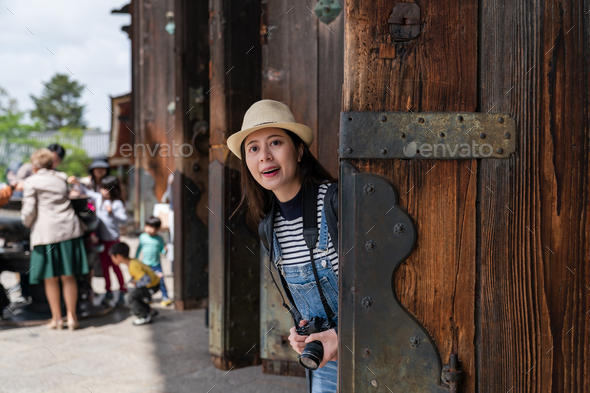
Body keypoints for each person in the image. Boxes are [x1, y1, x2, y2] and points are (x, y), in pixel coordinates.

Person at [227, 99, 339, 392]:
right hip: (325, 362)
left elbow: (379, 288)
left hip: (370, 351)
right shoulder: (269, 226)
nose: (264, 156)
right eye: (253, 148)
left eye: (275, 142)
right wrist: (299, 331)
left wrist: (342, 335)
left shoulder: (336, 202)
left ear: (299, 150)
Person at [20, 148, 88, 330]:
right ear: (52, 164)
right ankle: (72, 317)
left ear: (34, 166)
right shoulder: (60, 178)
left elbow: (28, 213)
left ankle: (57, 318)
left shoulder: (31, 182)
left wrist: (25, 222)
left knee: (50, 278)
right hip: (69, 229)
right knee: (68, 276)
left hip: (46, 233)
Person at [68, 175, 128, 304]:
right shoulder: (98, 199)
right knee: (104, 267)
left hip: (113, 241)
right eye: (102, 189)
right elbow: (86, 192)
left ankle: (123, 290)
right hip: (102, 240)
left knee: (115, 267)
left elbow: (123, 220)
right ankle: (108, 291)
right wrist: (77, 182)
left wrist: (112, 212)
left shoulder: (116, 203)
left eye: (106, 189)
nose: (103, 192)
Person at [109, 242, 160, 325]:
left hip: (152, 286)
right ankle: (149, 310)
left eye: (112, 257)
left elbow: (147, 280)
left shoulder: (133, 266)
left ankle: (143, 316)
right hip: (154, 284)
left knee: (130, 297)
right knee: (135, 295)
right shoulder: (133, 262)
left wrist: (137, 284)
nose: (112, 260)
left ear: (118, 256)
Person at [135, 216, 171, 306]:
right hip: (145, 265)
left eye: (152, 227)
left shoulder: (159, 239)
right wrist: (135, 259)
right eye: (147, 226)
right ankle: (148, 297)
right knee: (146, 282)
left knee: (161, 280)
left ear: (157, 229)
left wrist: (165, 250)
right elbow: (139, 249)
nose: (148, 229)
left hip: (156, 265)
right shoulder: (142, 237)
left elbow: (161, 250)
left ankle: (165, 297)